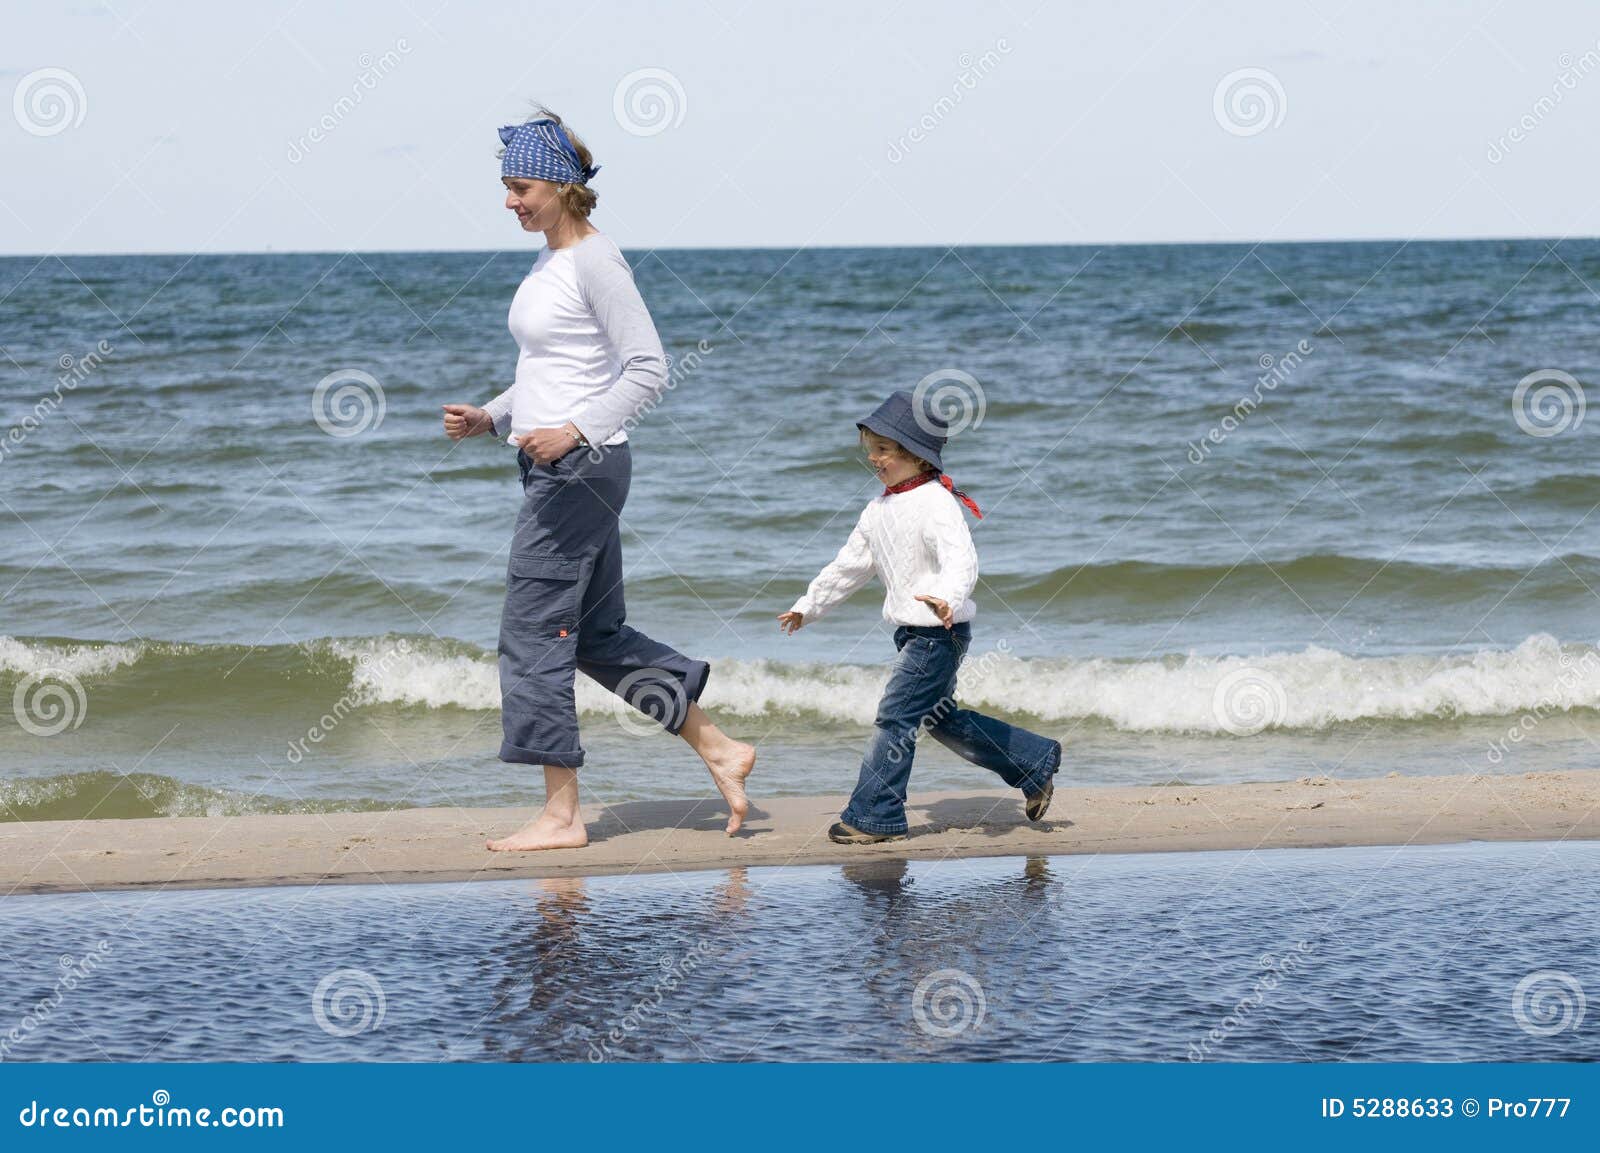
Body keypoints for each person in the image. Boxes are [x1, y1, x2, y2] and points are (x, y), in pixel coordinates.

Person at [442, 109, 754, 851]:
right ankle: (718, 746)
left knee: (531, 635)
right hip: (563, 463)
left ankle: (561, 816)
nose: (509, 201)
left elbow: (647, 366)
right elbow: (554, 372)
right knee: (592, 632)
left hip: (579, 467)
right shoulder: (550, 261)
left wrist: (576, 431)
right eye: (505, 186)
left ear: (557, 184)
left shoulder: (595, 259)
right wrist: (492, 416)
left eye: (519, 186)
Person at [777, 390, 1061, 843]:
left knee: (895, 719)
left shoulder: (936, 503)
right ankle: (1033, 761)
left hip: (939, 632)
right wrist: (808, 605)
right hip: (911, 634)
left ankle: (874, 816)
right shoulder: (877, 510)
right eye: (870, 449)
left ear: (916, 455)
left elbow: (961, 560)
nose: (874, 458)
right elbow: (849, 566)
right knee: (939, 719)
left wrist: (947, 597)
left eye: (883, 450)